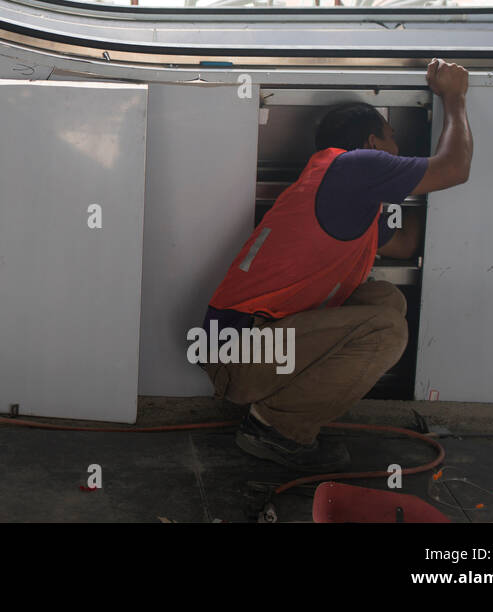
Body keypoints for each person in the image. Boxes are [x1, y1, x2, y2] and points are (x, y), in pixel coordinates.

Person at [201, 58, 473, 471]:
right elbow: (455, 169)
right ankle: (275, 429)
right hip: (239, 353)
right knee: (386, 331)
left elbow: (405, 242)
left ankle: (280, 410)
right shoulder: (354, 168)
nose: (397, 153)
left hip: (253, 345)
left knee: (385, 300)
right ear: (373, 145)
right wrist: (454, 97)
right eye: (393, 140)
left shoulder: (341, 185)